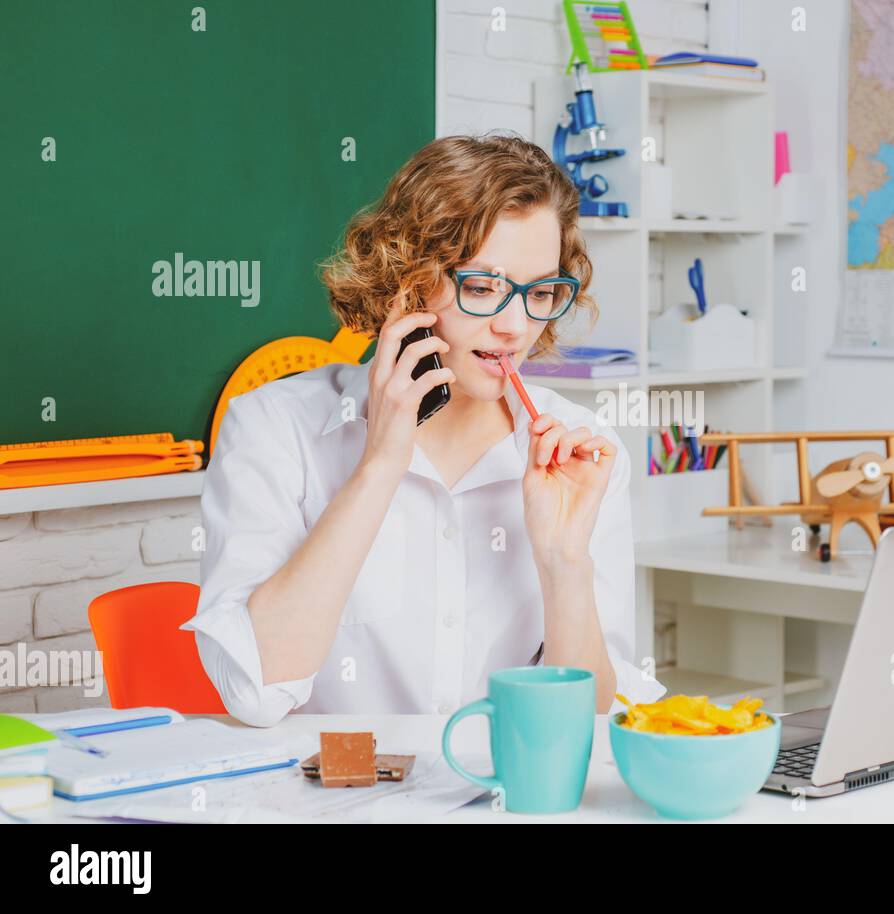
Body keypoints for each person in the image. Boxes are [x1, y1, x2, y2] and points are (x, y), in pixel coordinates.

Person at [183, 135, 665, 727]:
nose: (515, 326)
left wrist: (564, 560)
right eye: (483, 288)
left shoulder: (582, 452)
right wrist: (380, 465)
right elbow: (252, 695)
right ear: (407, 281)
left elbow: (587, 721)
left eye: (539, 292)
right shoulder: (273, 427)